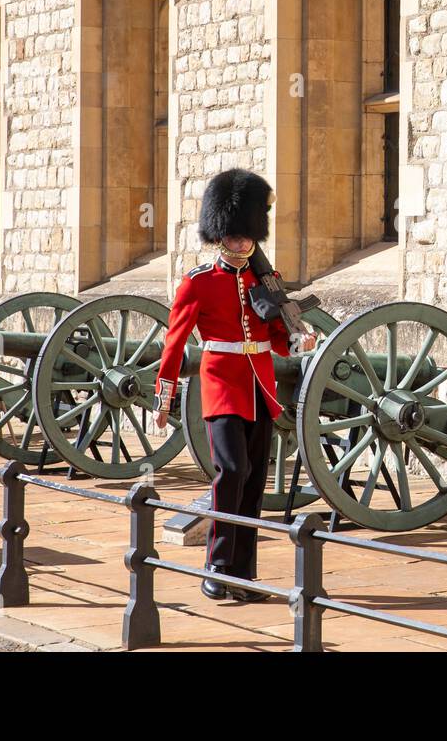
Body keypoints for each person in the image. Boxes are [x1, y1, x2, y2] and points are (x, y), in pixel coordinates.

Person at [153, 168, 315, 602]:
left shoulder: (266, 278)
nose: (242, 243)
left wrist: (298, 335)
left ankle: (243, 574)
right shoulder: (198, 282)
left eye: (248, 236)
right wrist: (164, 394)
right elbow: (175, 340)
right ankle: (217, 565)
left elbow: (277, 341)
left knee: (255, 480)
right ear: (220, 235)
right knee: (232, 473)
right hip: (222, 384)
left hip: (261, 385)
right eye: (234, 236)